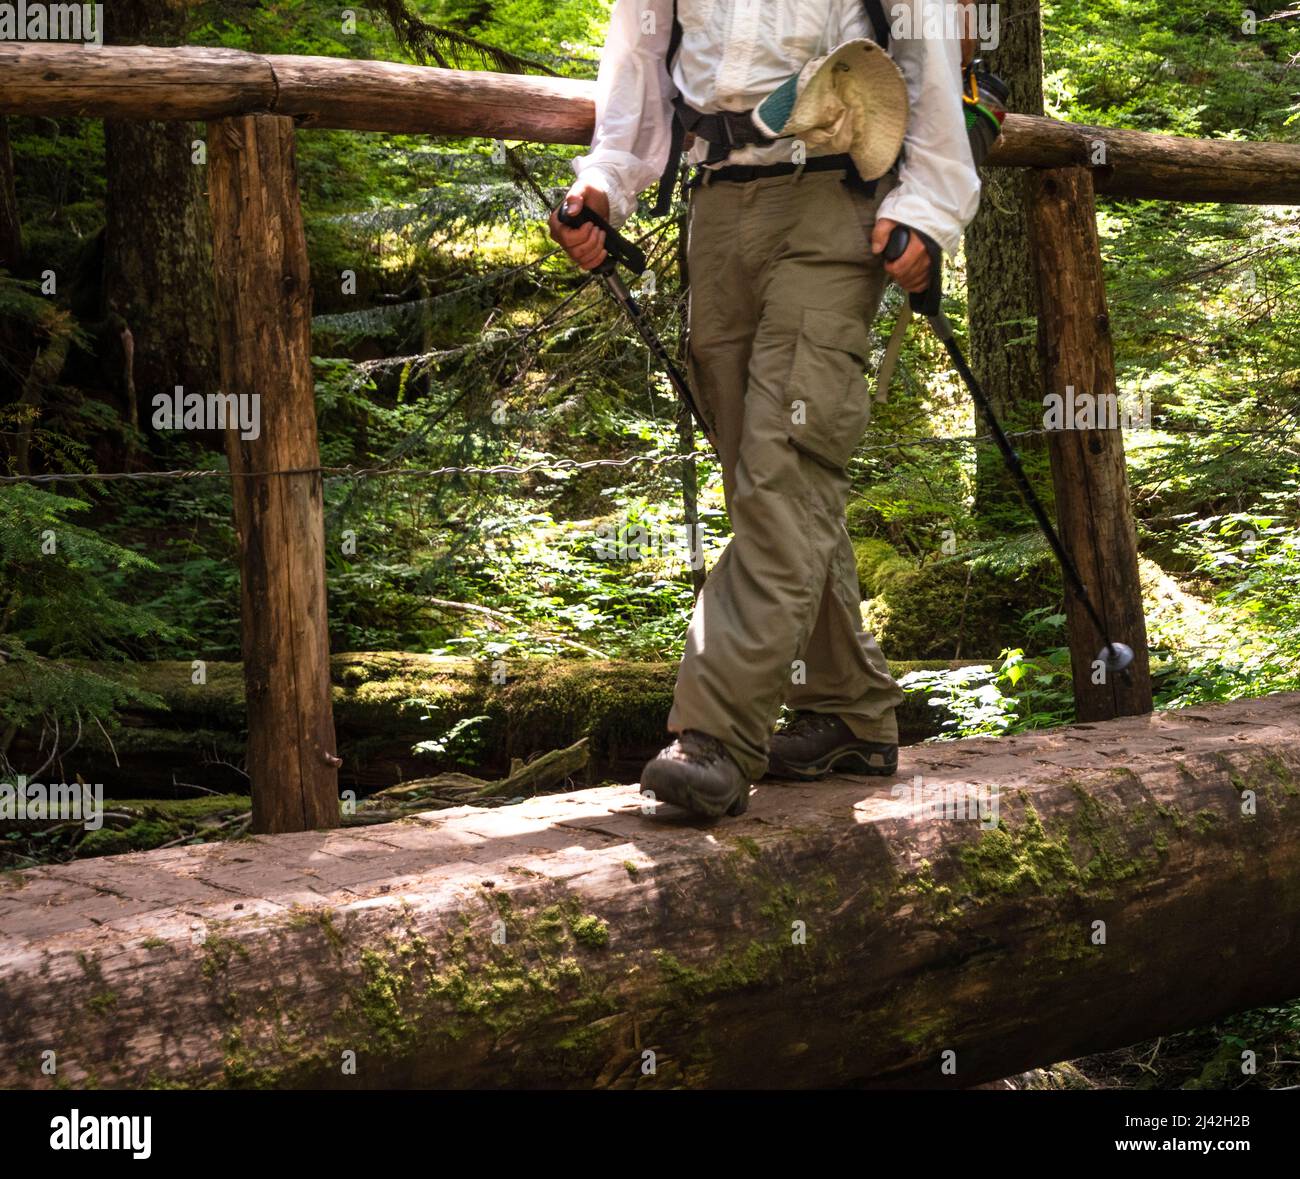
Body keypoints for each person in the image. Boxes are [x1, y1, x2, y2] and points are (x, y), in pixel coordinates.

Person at [550, 0, 981, 818]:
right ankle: (850, 709)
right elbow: (639, 57)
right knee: (761, 471)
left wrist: (927, 204)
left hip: (832, 200)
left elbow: (926, 46)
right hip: (715, 206)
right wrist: (604, 185)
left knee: (783, 460)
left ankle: (714, 735)